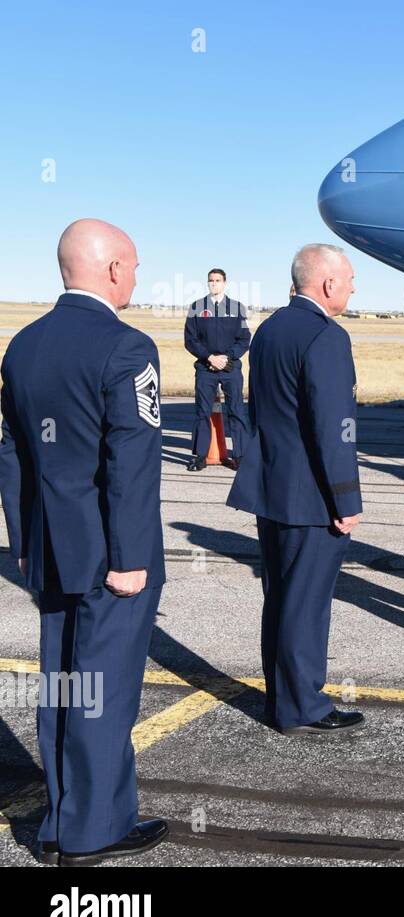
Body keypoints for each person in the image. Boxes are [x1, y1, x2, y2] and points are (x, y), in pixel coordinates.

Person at [0, 219, 168, 866]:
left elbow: (11, 450)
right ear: (113, 269)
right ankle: (91, 830)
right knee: (104, 690)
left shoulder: (23, 346)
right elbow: (131, 460)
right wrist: (129, 559)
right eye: (134, 265)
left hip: (49, 547)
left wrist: (22, 540)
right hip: (108, 556)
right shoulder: (127, 348)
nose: (136, 277)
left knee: (64, 685)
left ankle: (64, 818)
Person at [226, 244, 364, 735]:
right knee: (306, 605)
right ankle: (304, 705)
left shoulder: (271, 330)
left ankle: (282, 701)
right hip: (312, 498)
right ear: (327, 284)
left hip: (273, 489)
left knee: (282, 599)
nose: (352, 286)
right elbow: (333, 428)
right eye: (349, 278)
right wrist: (346, 499)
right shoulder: (326, 336)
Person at [184, 268, 251, 471]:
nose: (214, 284)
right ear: (207, 283)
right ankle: (201, 456)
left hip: (230, 367)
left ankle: (240, 456)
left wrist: (227, 357)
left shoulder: (236, 308)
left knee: (236, 411)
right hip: (206, 367)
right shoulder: (197, 307)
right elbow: (190, 340)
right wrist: (209, 357)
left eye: (218, 280)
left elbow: (244, 338)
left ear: (225, 283)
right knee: (202, 412)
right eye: (211, 281)